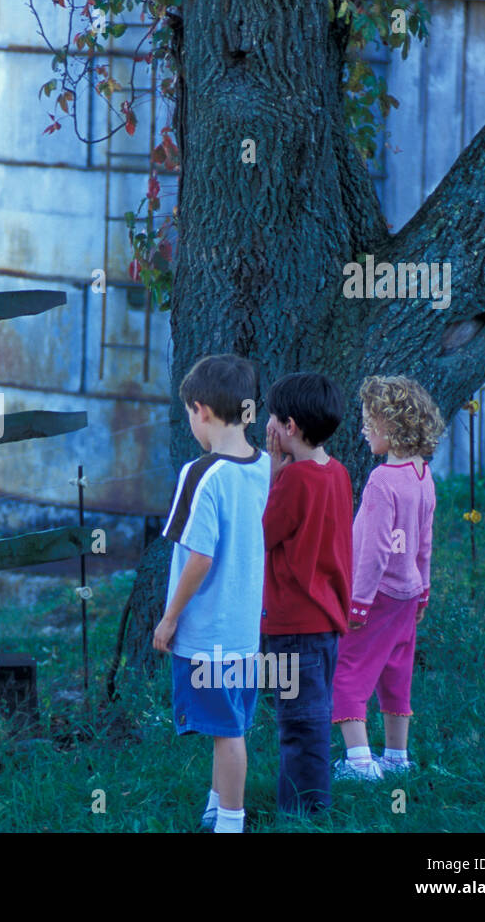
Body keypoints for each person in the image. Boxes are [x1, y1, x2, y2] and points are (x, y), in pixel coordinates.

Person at [153, 354, 270, 833]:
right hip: (246, 629)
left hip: (209, 630)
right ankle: (216, 803)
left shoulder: (200, 474)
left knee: (228, 732)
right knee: (229, 724)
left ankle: (230, 821)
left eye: (188, 413)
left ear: (200, 409)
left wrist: (169, 617)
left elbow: (198, 557)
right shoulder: (267, 467)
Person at [332, 375, 443, 780]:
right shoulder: (422, 474)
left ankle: (360, 763)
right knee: (396, 669)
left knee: (347, 668)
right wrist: (424, 591)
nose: (363, 429)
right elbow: (424, 544)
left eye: (368, 421)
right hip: (408, 594)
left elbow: (375, 551)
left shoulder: (382, 481)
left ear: (392, 426)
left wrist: (357, 604)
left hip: (376, 596)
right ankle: (397, 759)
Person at [261, 372, 354, 815]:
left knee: (299, 726)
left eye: (273, 419)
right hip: (326, 621)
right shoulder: (337, 473)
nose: (269, 425)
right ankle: (303, 809)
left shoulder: (294, 482)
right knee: (312, 718)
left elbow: (261, 534)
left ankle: (304, 815)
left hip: (294, 623)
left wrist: (272, 475)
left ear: (289, 427)